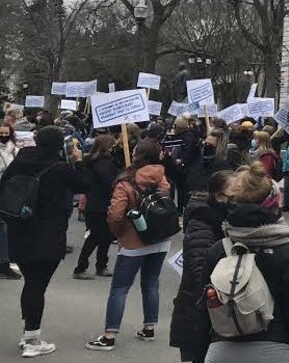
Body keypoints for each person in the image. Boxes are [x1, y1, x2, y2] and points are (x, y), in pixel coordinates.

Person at [190, 162, 289, 363]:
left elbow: (203, 313)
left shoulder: (218, 250)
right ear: (272, 203)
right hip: (273, 348)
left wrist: (197, 357)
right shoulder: (286, 250)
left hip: (221, 348)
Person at [1, 125, 85, 358]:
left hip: (20, 228)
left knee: (31, 284)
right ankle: (32, 339)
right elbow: (83, 184)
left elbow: (4, 184)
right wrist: (78, 160)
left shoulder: (22, 159)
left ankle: (28, 331)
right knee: (37, 286)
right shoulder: (60, 168)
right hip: (48, 233)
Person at [86, 139, 173, 352]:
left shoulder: (125, 182)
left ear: (137, 155)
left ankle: (109, 336)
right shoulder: (162, 178)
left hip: (133, 241)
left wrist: (119, 233)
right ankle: (149, 327)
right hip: (159, 239)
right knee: (151, 283)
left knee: (119, 288)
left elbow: (115, 214)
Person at [169, 169, 231, 363]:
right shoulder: (203, 222)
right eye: (235, 195)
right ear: (219, 196)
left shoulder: (225, 220)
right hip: (199, 315)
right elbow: (200, 273)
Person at [74, 134, 120, 279]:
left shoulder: (92, 160)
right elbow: (110, 181)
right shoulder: (104, 163)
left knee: (104, 236)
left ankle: (101, 265)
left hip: (95, 203)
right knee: (96, 236)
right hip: (101, 203)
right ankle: (81, 267)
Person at [0, 120, 18, 280]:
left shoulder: (15, 150)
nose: (4, 137)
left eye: (6, 134)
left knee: (6, 228)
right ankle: (4, 264)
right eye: (1, 134)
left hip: (9, 193)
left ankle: (5, 262)